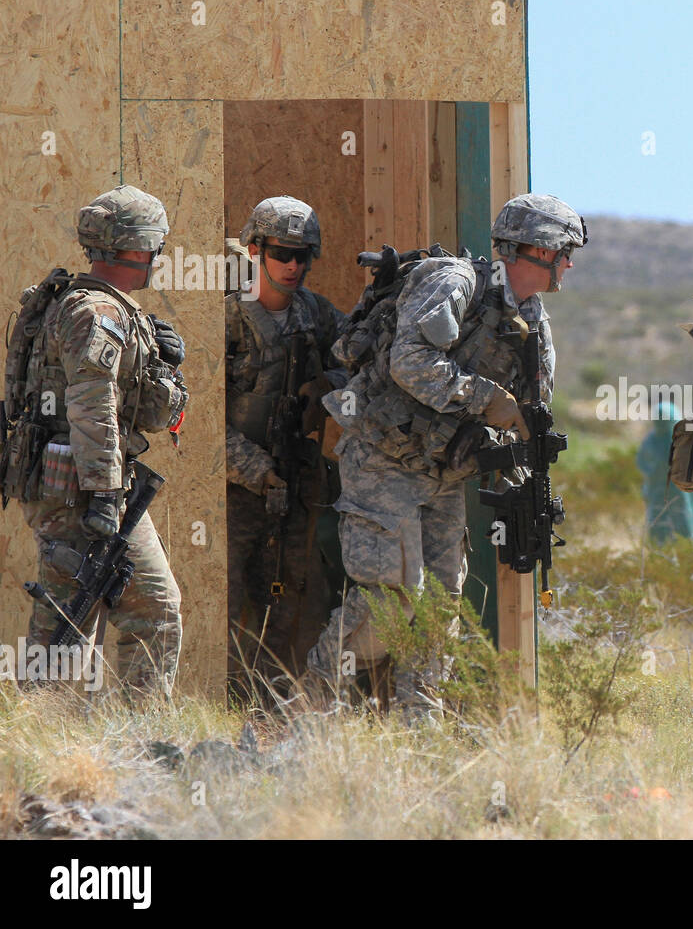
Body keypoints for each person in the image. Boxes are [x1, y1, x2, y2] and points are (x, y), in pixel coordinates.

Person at [305, 193, 586, 716]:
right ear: (535, 248)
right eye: (564, 251)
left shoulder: (534, 326)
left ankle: (420, 725)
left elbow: (528, 415)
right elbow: (409, 362)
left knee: (441, 606)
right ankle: (307, 707)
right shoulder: (455, 283)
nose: (569, 264)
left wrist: (526, 484)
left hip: (445, 475)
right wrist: (486, 399)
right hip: (385, 460)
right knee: (391, 603)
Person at [2, 184, 187, 696]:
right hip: (80, 489)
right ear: (139, 247)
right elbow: (93, 407)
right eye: (154, 247)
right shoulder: (96, 314)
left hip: (87, 484)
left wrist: (166, 369)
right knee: (70, 620)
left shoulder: (104, 308)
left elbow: (145, 412)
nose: (156, 258)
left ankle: (142, 742)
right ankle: (47, 742)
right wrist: (105, 497)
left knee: (142, 609)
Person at [225, 196, 349, 702]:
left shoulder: (316, 315)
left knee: (293, 599)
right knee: (230, 603)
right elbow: (199, 419)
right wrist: (257, 469)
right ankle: (229, 705)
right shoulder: (228, 321)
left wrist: (327, 386)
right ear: (254, 249)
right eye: (282, 254)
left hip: (296, 483)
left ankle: (277, 706)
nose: (294, 266)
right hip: (238, 489)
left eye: (304, 256)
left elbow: (360, 355)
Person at [635, 400, 693, 544]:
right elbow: (641, 462)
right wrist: (653, 472)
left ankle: (686, 553)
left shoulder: (682, 438)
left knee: (684, 525)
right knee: (658, 525)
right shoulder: (652, 440)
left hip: (679, 492)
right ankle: (660, 555)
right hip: (658, 491)